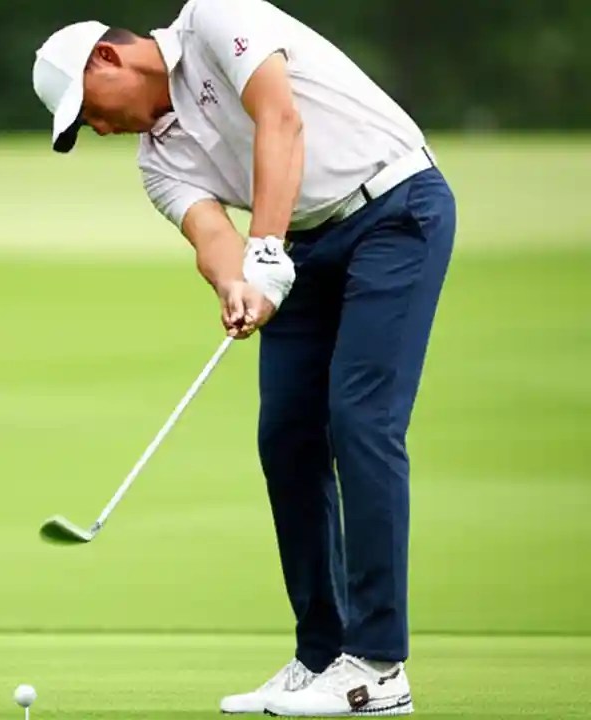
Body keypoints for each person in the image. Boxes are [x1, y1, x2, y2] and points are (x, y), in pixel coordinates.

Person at [31, 0, 456, 716]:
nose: (98, 129)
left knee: (360, 420)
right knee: (286, 436)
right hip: (302, 249)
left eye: (89, 111)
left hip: (395, 209)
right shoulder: (157, 162)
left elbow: (279, 119)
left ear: (109, 58)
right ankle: (321, 655)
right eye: (83, 128)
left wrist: (264, 250)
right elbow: (210, 237)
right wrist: (238, 286)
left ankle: (379, 667)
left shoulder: (213, 17)